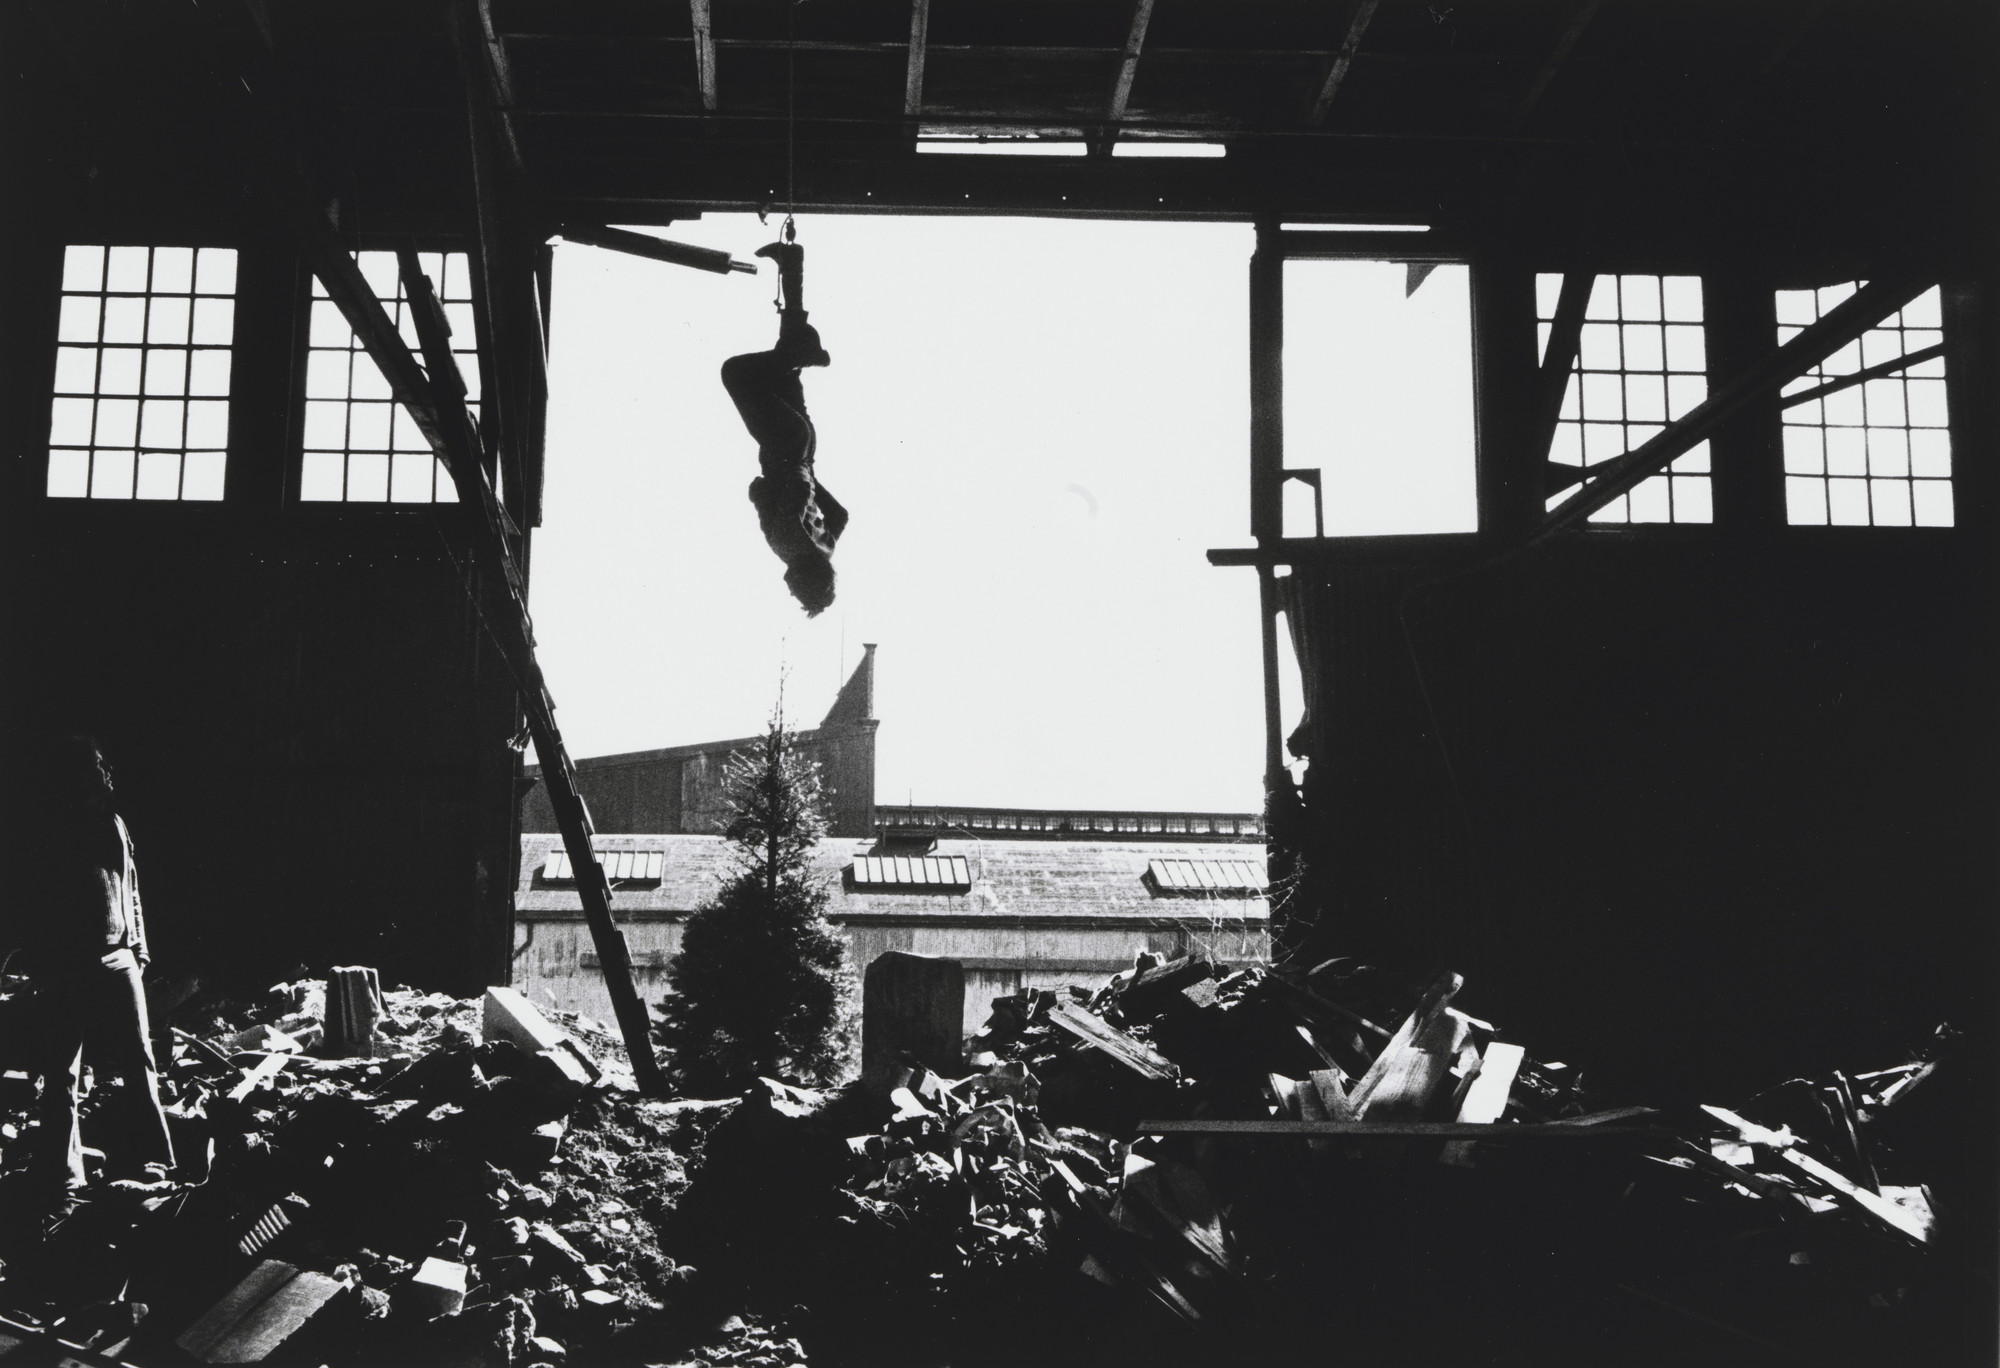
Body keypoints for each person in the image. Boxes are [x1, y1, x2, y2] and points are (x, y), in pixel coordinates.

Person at [13, 736, 176, 1214]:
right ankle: (63, 1179)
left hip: (119, 957)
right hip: (72, 963)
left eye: (104, 769)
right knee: (63, 1073)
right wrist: (46, 964)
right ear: (77, 778)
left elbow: (132, 888)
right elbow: (38, 906)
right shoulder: (55, 831)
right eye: (95, 770)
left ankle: (154, 1161)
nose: (105, 776)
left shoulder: (115, 824)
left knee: (139, 1059)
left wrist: (138, 949)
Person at [721, 236, 847, 617]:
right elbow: (763, 493)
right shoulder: (787, 546)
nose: (787, 589)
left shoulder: (826, 546)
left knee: (785, 363)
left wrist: (806, 472)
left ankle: (792, 263)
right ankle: (802, 352)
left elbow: (840, 515)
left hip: (805, 444)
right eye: (797, 594)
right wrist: (778, 481)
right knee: (736, 372)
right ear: (805, 583)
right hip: (784, 446)